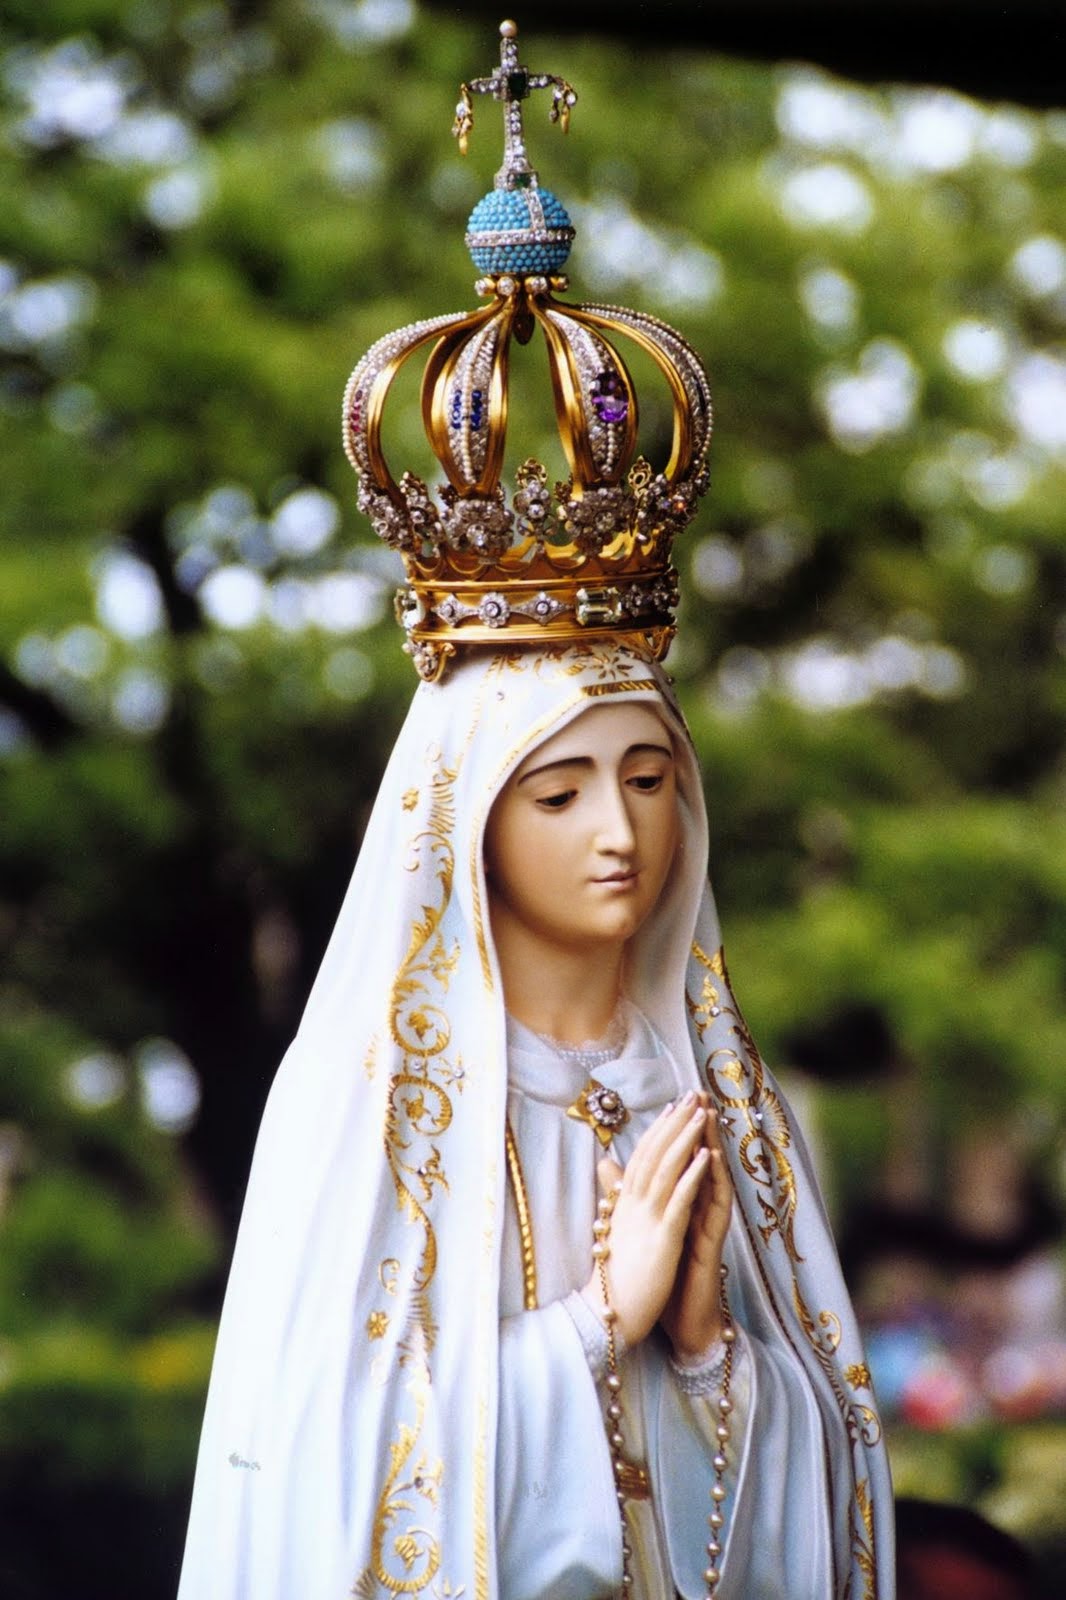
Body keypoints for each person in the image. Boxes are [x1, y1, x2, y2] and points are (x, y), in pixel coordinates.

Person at [178, 639, 894, 1599]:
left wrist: (703, 1352)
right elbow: (329, 1477)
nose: (621, 832)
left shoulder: (727, 1103)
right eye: (560, 796)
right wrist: (597, 1324)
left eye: (647, 781)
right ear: (467, 815)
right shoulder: (368, 1105)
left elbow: (835, 1461)